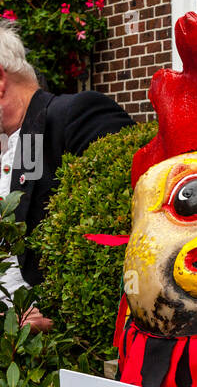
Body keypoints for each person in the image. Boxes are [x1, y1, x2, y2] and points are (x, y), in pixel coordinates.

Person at [0, 20, 133, 328]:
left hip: (63, 346)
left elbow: (124, 225)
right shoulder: (24, 136)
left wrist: (58, 316)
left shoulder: (74, 113)